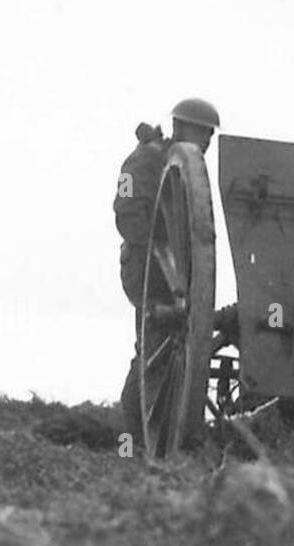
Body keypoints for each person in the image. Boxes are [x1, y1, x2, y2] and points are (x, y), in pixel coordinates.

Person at [114, 97, 220, 439]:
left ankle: (157, 437)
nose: (206, 141)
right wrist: (157, 258)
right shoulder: (142, 160)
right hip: (146, 267)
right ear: (178, 128)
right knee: (151, 351)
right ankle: (133, 441)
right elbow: (126, 207)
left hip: (174, 272)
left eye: (209, 135)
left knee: (165, 354)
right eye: (200, 132)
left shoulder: (185, 168)